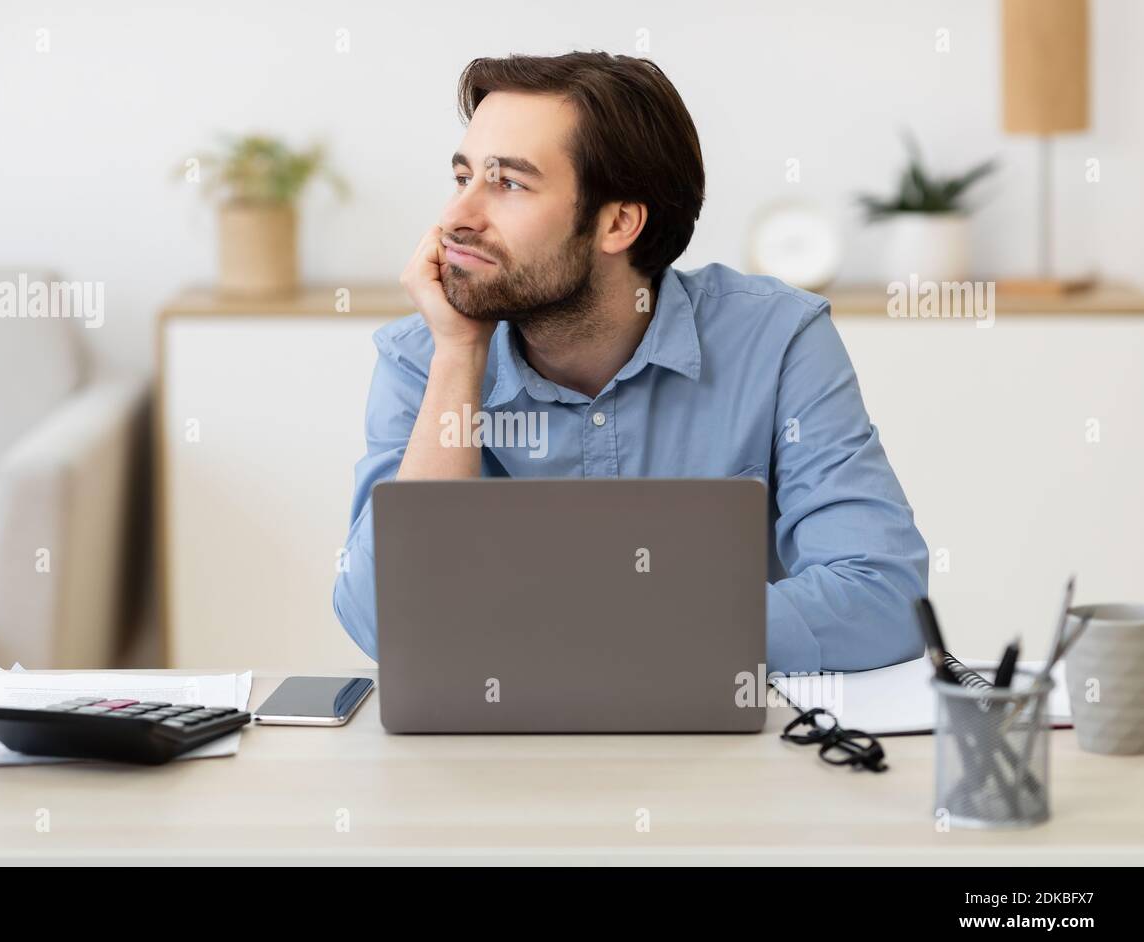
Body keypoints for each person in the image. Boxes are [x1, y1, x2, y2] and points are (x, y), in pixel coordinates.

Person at [333, 51, 928, 674]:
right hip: (491, 754)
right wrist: (460, 354)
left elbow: (883, 598)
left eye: (508, 183)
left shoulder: (777, 340)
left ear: (617, 222)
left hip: (723, 755)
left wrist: (582, 630)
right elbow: (387, 620)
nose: (455, 218)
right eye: (463, 179)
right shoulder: (423, 355)